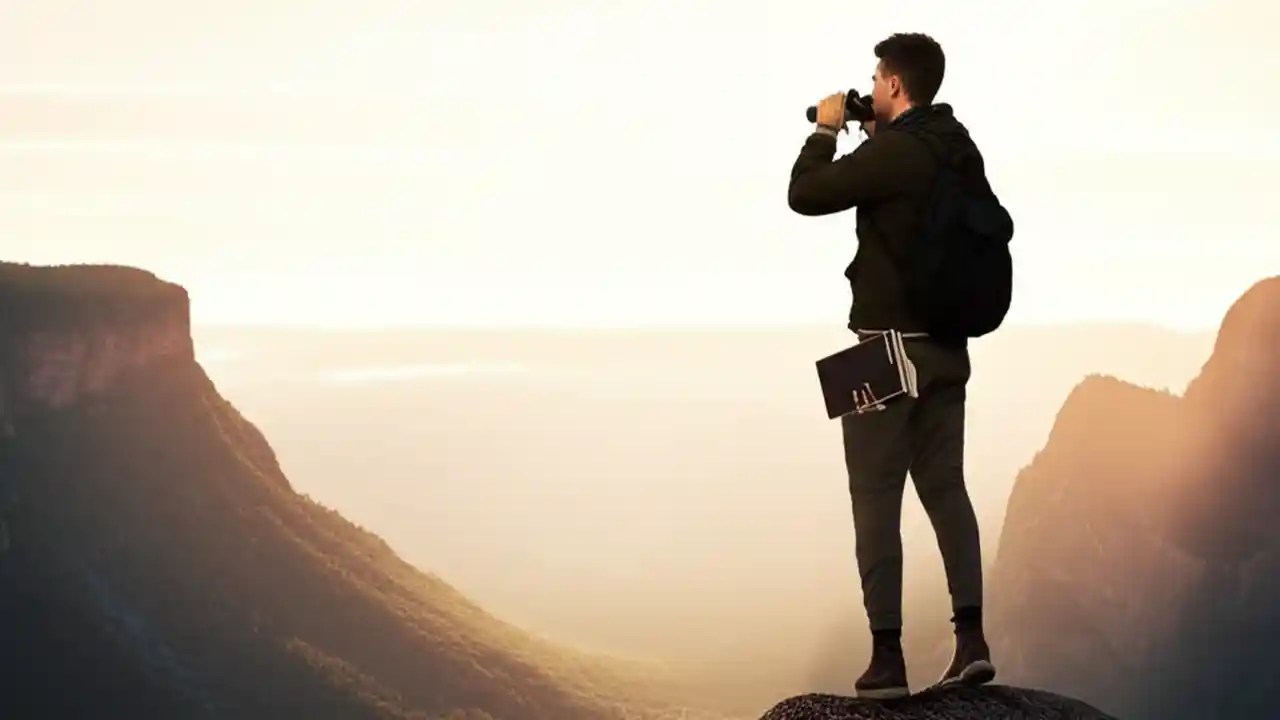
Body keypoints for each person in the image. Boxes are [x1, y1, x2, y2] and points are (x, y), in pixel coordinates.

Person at [787, 32, 996, 699]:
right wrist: (876, 133)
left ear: (896, 85)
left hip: (882, 350)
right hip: (948, 350)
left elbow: (806, 193)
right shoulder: (955, 145)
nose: (871, 87)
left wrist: (825, 130)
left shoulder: (894, 154)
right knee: (947, 491)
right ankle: (971, 641)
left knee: (874, 499)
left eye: (877, 79)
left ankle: (887, 660)